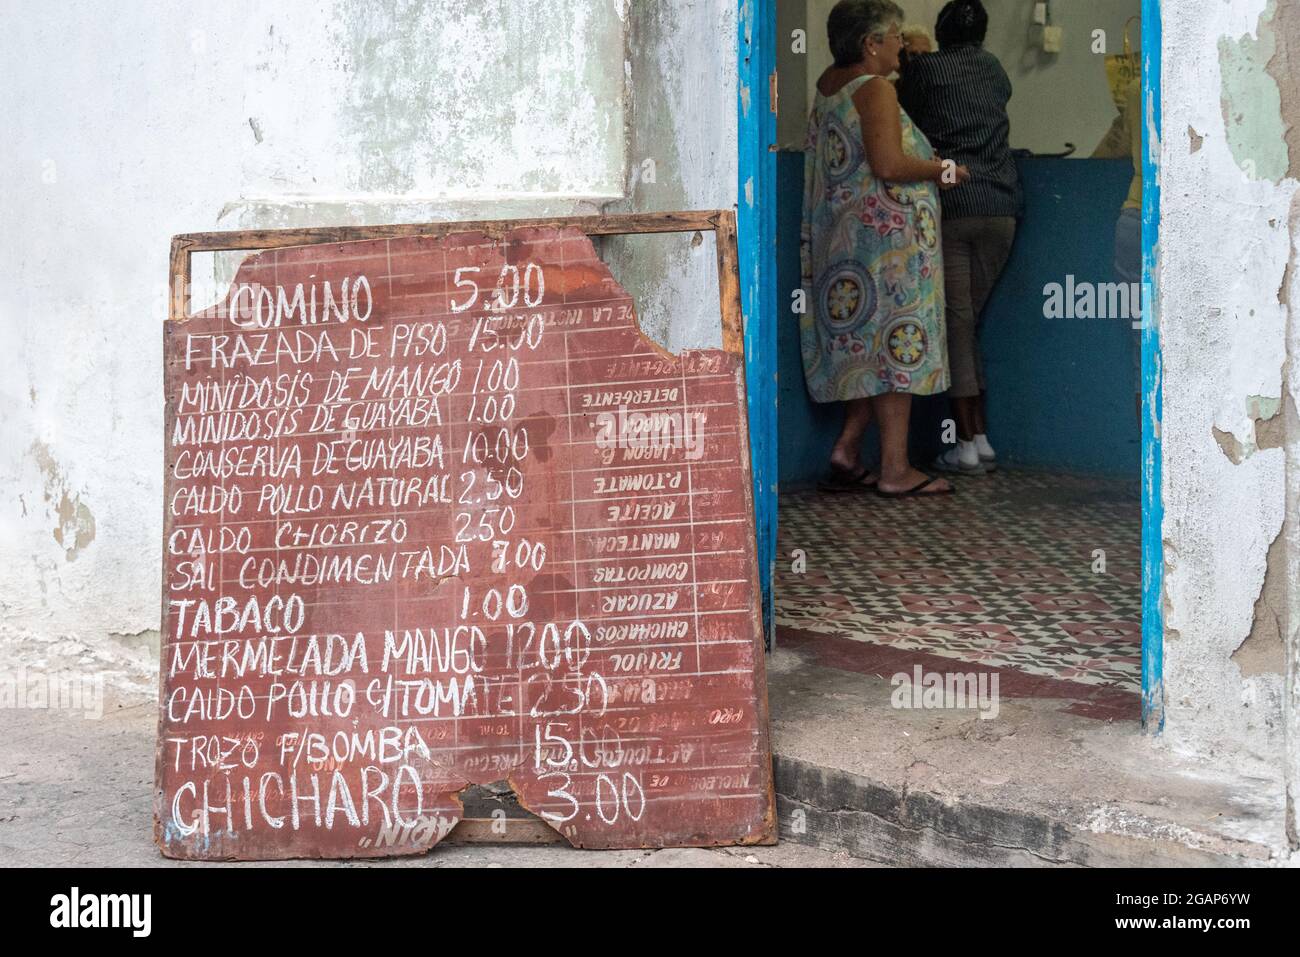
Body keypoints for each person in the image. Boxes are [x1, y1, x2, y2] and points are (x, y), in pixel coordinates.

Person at [801, 0, 969, 498]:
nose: (901, 44)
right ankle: (896, 469)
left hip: (848, 246)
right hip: (887, 248)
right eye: (895, 35)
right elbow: (890, 164)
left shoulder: (829, 85)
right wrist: (943, 170)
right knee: (896, 350)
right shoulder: (874, 89)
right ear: (871, 43)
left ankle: (848, 449)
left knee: (867, 352)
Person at [897, 0, 1018, 475]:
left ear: (940, 31)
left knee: (957, 325)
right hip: (1002, 206)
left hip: (952, 205)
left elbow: (901, 114)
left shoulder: (925, 71)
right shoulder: (994, 69)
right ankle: (981, 439)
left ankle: (965, 444)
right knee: (968, 324)